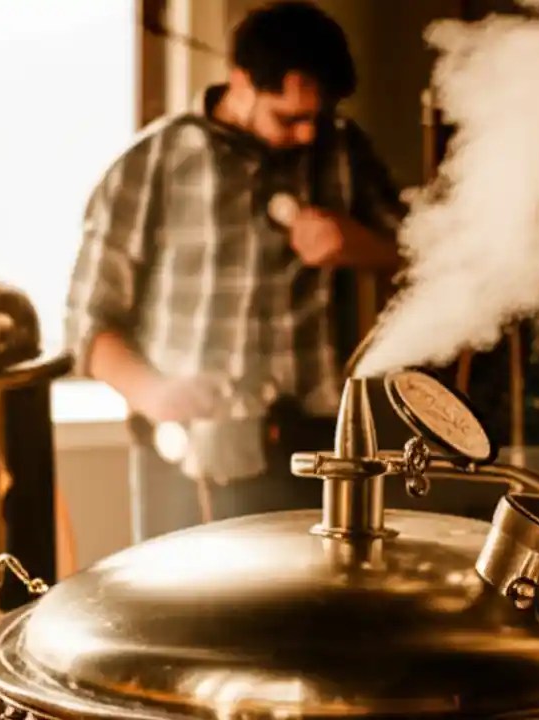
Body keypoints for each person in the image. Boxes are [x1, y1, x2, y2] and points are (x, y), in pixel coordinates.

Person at [64, 1, 405, 541]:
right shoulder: (152, 162)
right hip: (188, 453)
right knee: (181, 620)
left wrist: (356, 244)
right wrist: (153, 393)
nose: (308, 136)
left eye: (318, 117)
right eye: (289, 118)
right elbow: (88, 321)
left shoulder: (342, 150)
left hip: (314, 449)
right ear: (240, 80)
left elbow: (416, 255)